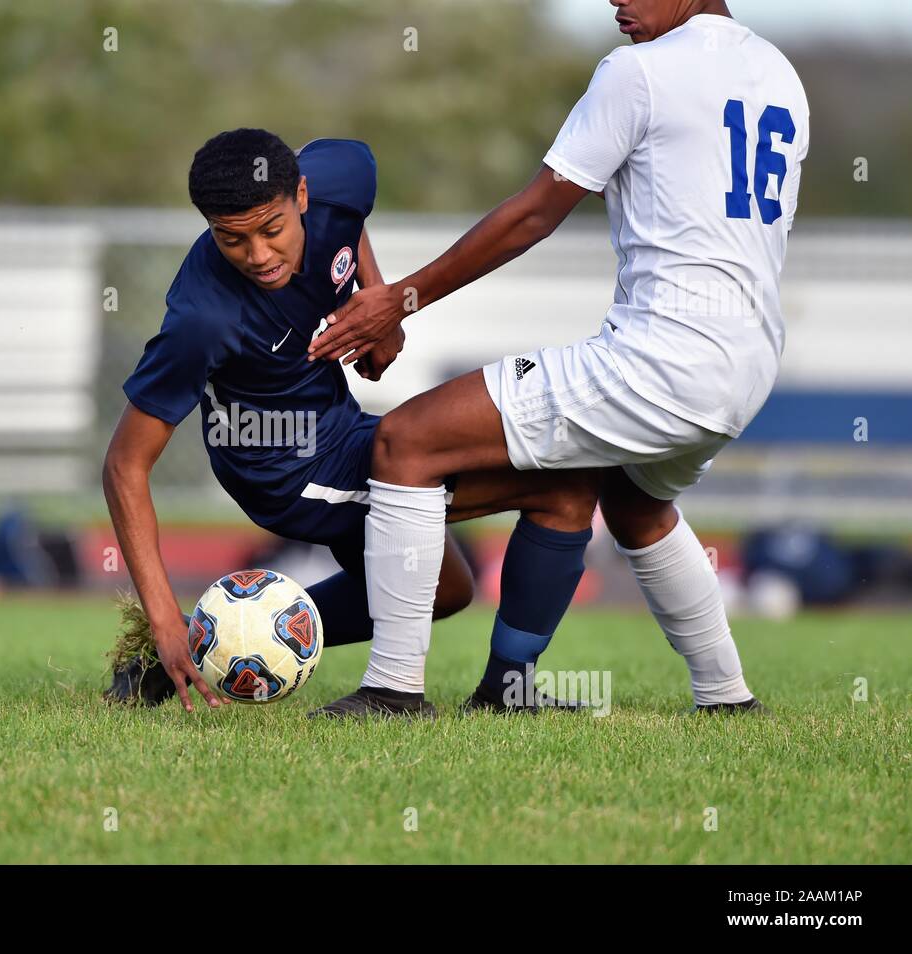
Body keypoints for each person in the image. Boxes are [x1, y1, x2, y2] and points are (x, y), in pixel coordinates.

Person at [307, 0, 806, 717]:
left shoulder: (639, 72)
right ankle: (725, 696)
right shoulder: (779, 74)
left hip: (662, 359)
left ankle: (392, 688)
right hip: (749, 362)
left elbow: (536, 213)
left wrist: (402, 299)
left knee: (406, 441)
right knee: (634, 503)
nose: (616, 2)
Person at [104, 128, 604, 714]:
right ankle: (503, 693)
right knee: (564, 485)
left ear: (305, 197)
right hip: (283, 468)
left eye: (272, 230)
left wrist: (373, 304)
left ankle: (215, 640)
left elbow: (349, 213)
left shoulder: (340, 179)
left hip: (341, 423)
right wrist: (161, 615)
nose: (258, 256)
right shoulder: (202, 320)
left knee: (446, 590)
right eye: (232, 239)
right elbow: (124, 465)